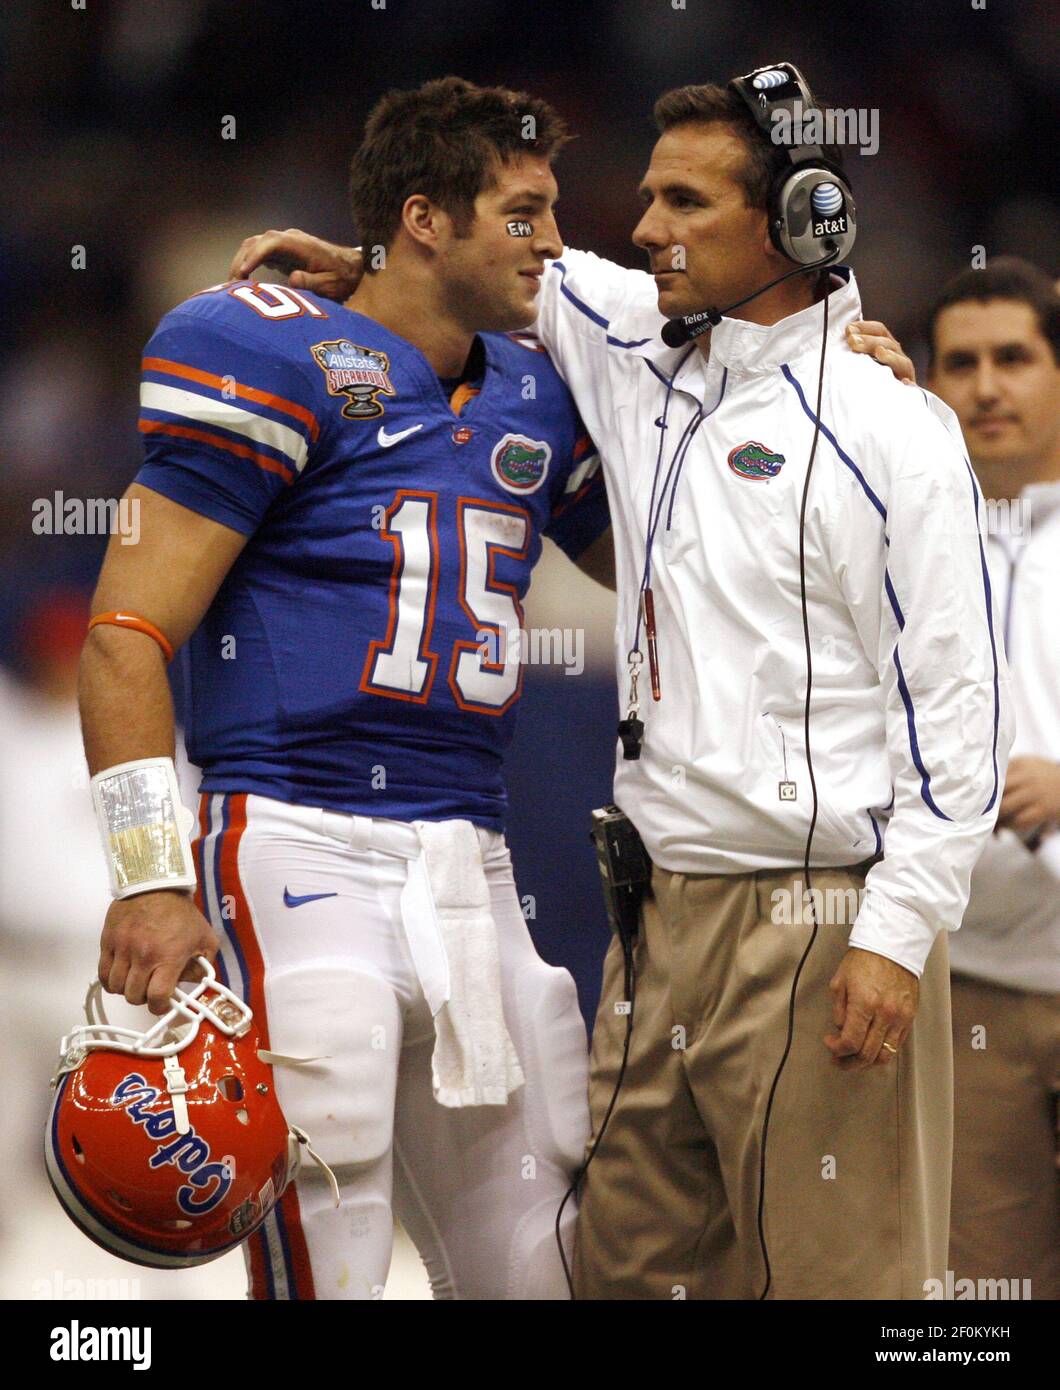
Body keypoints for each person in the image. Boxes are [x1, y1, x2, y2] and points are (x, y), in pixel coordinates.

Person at [237, 66, 1013, 1300]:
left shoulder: (890, 431)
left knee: (832, 1282)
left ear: (800, 221)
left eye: (683, 201)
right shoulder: (634, 337)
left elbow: (958, 717)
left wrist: (897, 935)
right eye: (648, 198)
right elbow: (494, 273)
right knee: (619, 1277)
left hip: (814, 919)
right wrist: (367, 263)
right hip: (651, 927)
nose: (642, 229)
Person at [78, 77, 614, 1302]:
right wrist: (153, 875)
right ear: (426, 220)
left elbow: (674, 555)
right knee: (330, 1253)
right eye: (523, 213)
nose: (556, 243)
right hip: (295, 836)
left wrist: (820, 364)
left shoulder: (540, 388)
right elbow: (122, 636)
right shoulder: (268, 348)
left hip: (473, 856)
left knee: (540, 1268)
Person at [926, 257, 1060, 1300]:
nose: (984, 387)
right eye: (958, 363)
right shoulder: (897, 539)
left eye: (1013, 357)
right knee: (983, 1287)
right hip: (964, 982)